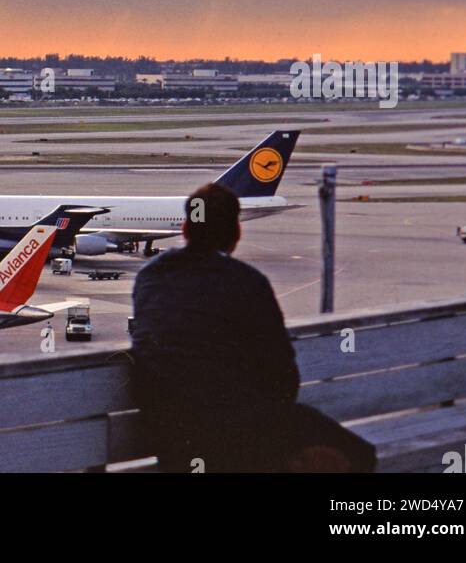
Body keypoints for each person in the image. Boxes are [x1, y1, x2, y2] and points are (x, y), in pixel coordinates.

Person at [130, 181, 376, 473]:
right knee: (361, 455)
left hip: (169, 433)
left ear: (185, 229)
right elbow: (283, 377)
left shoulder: (149, 277)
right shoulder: (247, 282)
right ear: (236, 234)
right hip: (236, 430)